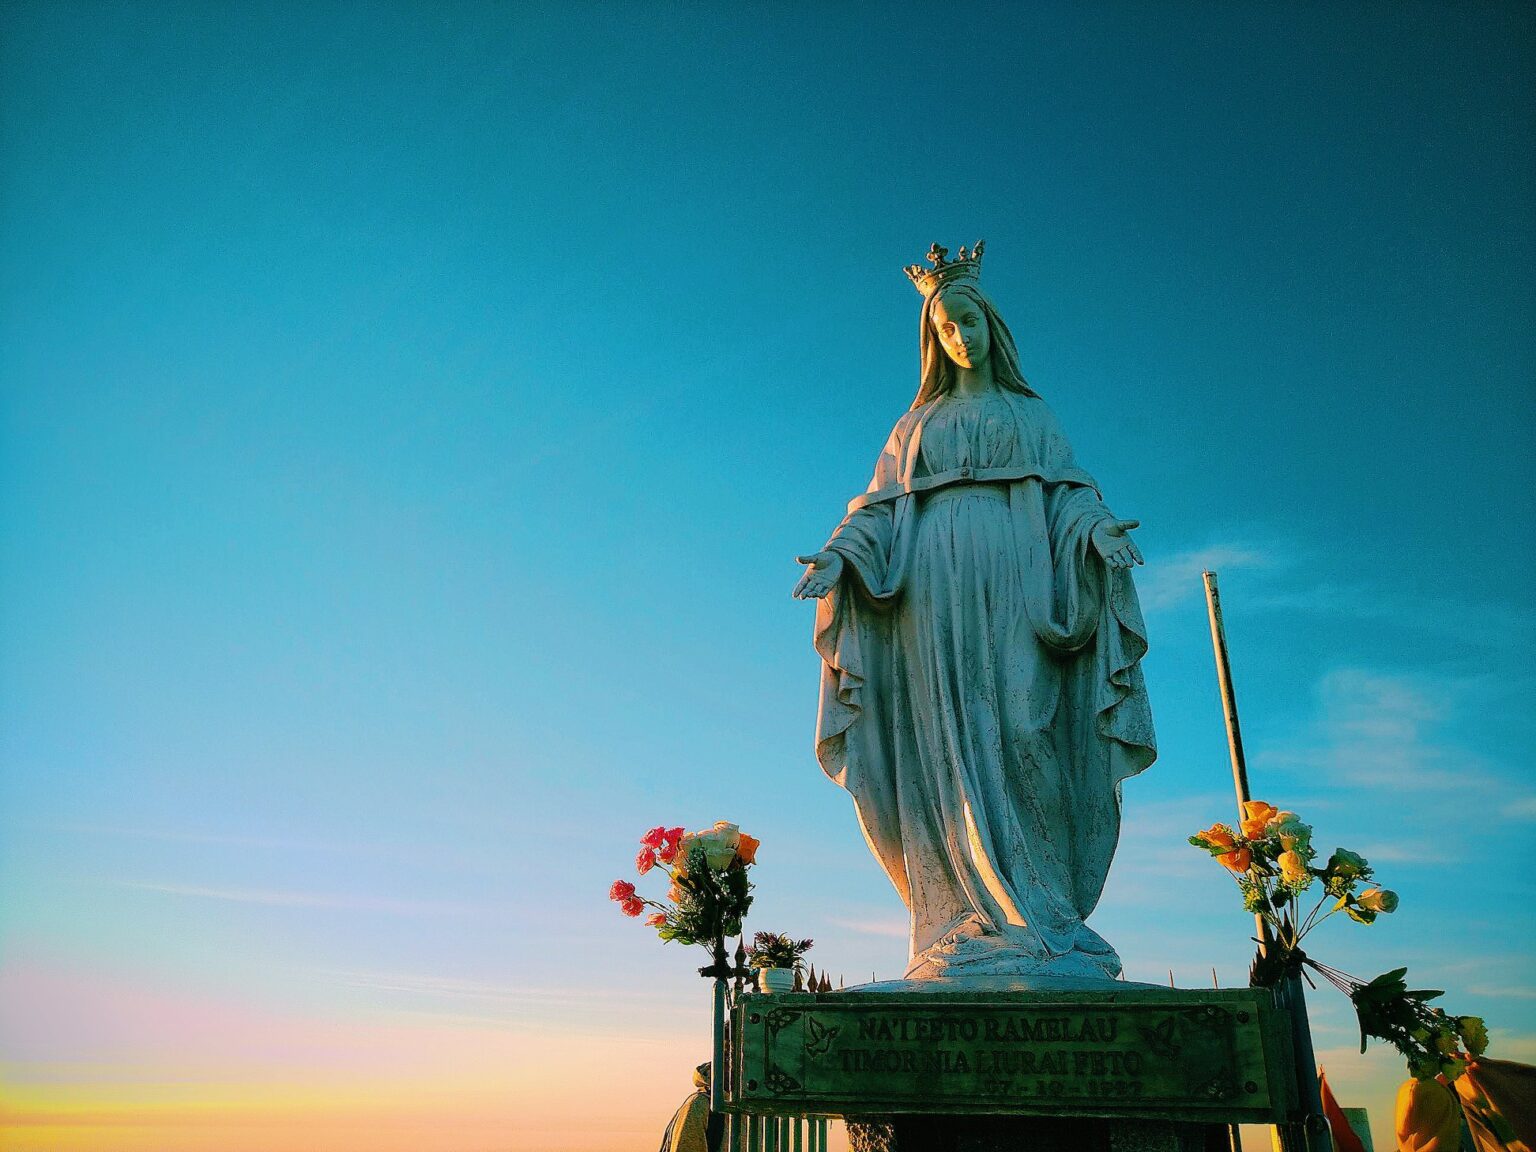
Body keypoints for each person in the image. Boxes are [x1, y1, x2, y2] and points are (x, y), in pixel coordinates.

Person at [794, 242, 1156, 981]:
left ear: (991, 323)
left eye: (968, 320)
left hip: (1021, 588)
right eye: (946, 327)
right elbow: (878, 512)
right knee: (946, 751)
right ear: (933, 340)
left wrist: (1097, 530)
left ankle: (1044, 911)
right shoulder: (913, 424)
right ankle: (963, 915)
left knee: (1026, 727)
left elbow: (1069, 494)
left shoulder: (1031, 415)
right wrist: (839, 557)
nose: (960, 335)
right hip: (931, 597)